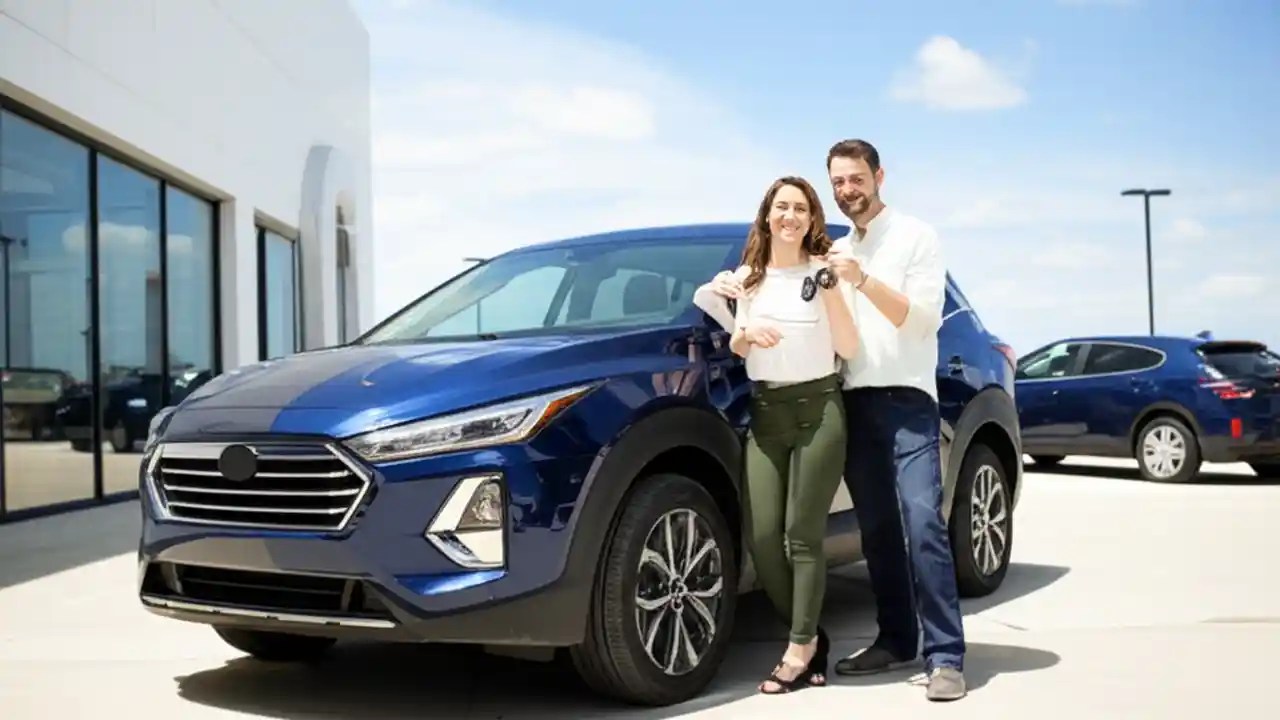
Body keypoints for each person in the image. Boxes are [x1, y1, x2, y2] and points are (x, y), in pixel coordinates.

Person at [693, 176, 859, 695]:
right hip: (767, 414)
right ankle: (811, 637)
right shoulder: (748, 278)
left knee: (802, 535)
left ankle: (799, 646)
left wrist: (830, 290)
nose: (790, 216)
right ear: (767, 215)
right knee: (764, 540)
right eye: (782, 207)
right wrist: (743, 331)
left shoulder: (822, 272)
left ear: (812, 219)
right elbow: (738, 344)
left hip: (819, 410)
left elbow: (849, 347)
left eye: (801, 208)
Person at [821, 138, 968, 702]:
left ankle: (946, 656)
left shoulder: (915, 236)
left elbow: (921, 318)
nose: (847, 191)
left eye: (856, 179)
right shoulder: (837, 249)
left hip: (908, 401)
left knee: (923, 522)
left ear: (879, 177)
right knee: (876, 529)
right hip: (854, 401)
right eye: (838, 182)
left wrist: (861, 279)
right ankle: (895, 639)